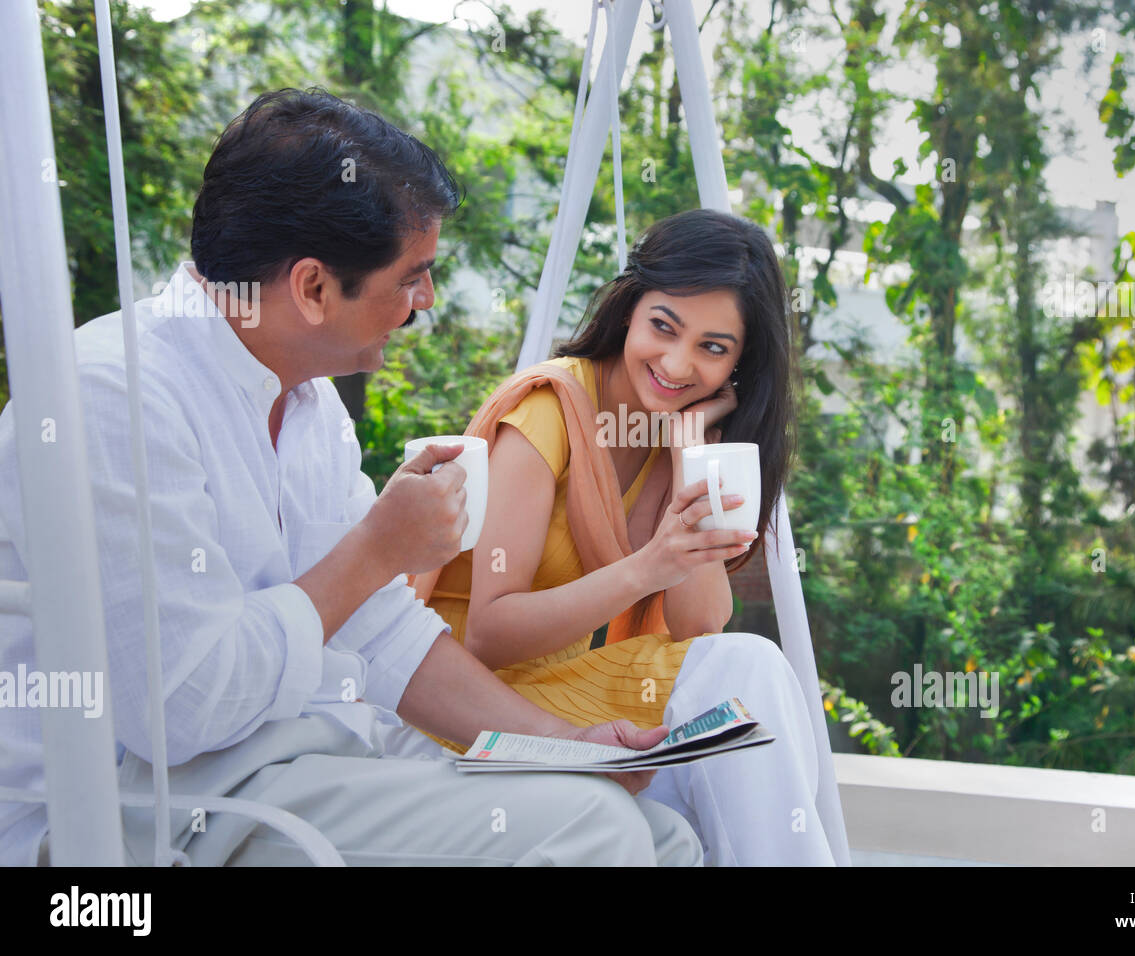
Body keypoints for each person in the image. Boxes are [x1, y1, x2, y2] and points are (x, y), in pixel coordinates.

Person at [0, 88, 703, 867]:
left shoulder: (309, 407)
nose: (425, 300)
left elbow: (384, 635)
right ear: (311, 288)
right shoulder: (114, 396)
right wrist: (374, 553)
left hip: (297, 763)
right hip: (138, 809)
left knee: (658, 832)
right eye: (412, 276)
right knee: (595, 831)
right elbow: (181, 713)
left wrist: (571, 746)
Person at [410, 209, 835, 865]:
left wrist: (688, 460)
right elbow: (489, 632)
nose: (676, 363)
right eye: (664, 327)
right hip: (474, 706)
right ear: (630, 308)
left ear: (740, 365)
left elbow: (701, 625)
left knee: (749, 671)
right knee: (748, 672)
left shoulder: (675, 435)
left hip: (584, 695)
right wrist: (644, 570)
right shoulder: (546, 414)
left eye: (712, 348)